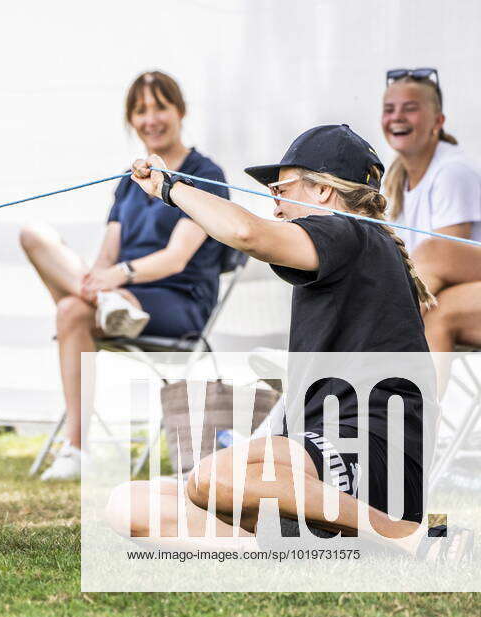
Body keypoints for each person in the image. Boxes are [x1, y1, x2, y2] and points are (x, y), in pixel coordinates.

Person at [106, 124, 472, 561]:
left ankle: (408, 540)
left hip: (372, 464)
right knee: (128, 503)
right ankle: (277, 553)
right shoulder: (352, 252)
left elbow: (246, 233)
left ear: (321, 192)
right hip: (319, 460)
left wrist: (170, 188)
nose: (274, 205)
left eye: (280, 188)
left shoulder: (350, 233)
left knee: (213, 477)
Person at [19, 71, 230, 481]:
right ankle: (76, 450)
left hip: (177, 300)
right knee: (43, 254)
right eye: (140, 110)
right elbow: (107, 253)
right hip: (120, 293)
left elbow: (176, 258)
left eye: (159, 107)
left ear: (180, 111)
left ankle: (76, 446)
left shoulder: (207, 173)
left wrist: (118, 275)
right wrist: (98, 281)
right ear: (131, 120)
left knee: (71, 310)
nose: (150, 119)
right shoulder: (129, 180)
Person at [381, 68, 481, 357]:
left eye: (410, 109)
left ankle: (373, 344)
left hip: (461, 280)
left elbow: (446, 263)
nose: (397, 117)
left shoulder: (452, 173)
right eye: (389, 109)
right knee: (436, 312)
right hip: (446, 296)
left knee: (433, 253)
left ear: (438, 121)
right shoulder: (395, 178)